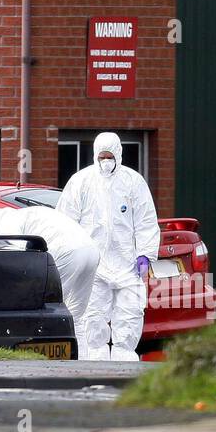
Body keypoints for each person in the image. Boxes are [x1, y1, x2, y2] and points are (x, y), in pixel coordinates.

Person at [56, 132, 160, 361]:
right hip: (94, 265)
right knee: (92, 315)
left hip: (127, 263)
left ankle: (125, 357)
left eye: (110, 156)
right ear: (95, 155)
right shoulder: (81, 182)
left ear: (118, 154)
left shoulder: (133, 182)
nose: (106, 161)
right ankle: (95, 359)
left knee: (131, 312)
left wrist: (145, 254)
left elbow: (146, 221)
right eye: (102, 156)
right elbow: (65, 222)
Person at [0, 206, 101, 361]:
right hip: (91, 251)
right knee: (76, 316)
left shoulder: (6, 222)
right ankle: (83, 362)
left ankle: (45, 359)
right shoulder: (27, 214)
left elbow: (16, 257)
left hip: (67, 253)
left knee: (51, 310)